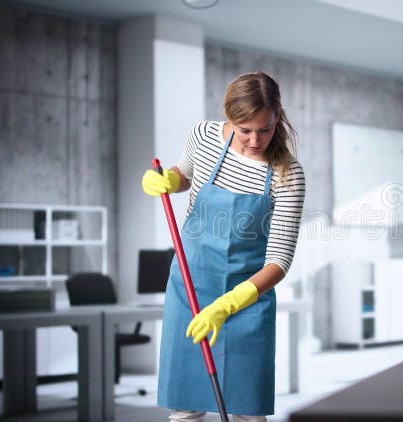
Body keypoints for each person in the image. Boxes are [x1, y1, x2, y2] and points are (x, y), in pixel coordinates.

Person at [141, 71, 306, 422]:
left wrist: (228, 304)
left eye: (264, 129)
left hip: (245, 300)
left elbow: (279, 260)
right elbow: (185, 175)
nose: (254, 140)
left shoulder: (287, 173)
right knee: (185, 407)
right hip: (191, 288)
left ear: (278, 116)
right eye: (243, 129)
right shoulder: (203, 136)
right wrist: (168, 179)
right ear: (228, 117)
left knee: (246, 410)